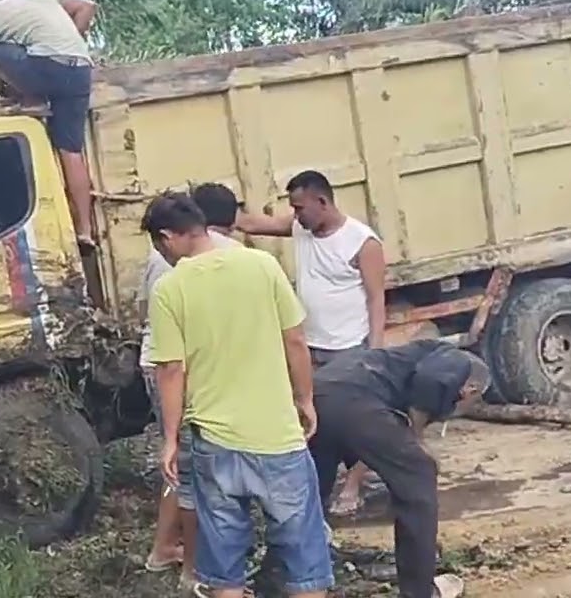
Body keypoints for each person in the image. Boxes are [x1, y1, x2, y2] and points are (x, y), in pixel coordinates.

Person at [143, 192, 332, 598]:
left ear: (168, 237)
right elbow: (295, 340)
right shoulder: (261, 265)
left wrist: (171, 439)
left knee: (224, 568)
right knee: (305, 561)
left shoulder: (169, 289)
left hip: (216, 444)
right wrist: (304, 399)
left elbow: (171, 369)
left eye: (159, 246)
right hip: (278, 437)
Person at [235, 169, 386, 516]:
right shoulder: (302, 228)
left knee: (356, 422)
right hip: (312, 348)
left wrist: (376, 350)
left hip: (350, 347)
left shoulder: (362, 242)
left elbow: (377, 298)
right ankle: (317, 489)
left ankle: (353, 486)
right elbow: (257, 225)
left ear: (322, 201)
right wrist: (217, 217)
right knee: (316, 420)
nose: (296, 215)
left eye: (300, 207)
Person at [308, 339, 491, 598]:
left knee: (313, 491)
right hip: (353, 397)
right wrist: (417, 442)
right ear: (471, 389)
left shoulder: (416, 356)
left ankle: (287, 579)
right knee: (420, 475)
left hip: (321, 391)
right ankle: (419, 591)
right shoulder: (458, 362)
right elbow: (429, 380)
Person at [140, 184, 245, 589]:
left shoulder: (168, 260)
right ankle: (193, 569)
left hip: (168, 366)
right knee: (194, 472)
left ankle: (166, 550)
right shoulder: (232, 258)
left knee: (181, 467)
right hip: (186, 371)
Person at [0, 0, 99, 252]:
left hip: (44, 71)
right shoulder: (45, 0)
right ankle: (85, 230)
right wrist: (75, 38)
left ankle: (32, 99)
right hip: (80, 71)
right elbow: (87, 6)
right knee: (71, 152)